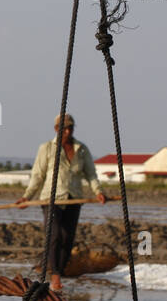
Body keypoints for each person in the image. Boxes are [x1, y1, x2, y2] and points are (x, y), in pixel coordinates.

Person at [20, 113, 106, 290]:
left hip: (74, 198)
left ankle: (59, 270)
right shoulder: (46, 148)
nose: (67, 131)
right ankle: (56, 275)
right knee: (55, 235)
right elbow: (38, 175)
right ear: (56, 129)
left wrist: (98, 191)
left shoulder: (81, 149)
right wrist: (27, 196)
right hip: (52, 199)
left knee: (68, 238)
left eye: (70, 128)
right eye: (64, 128)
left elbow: (90, 174)